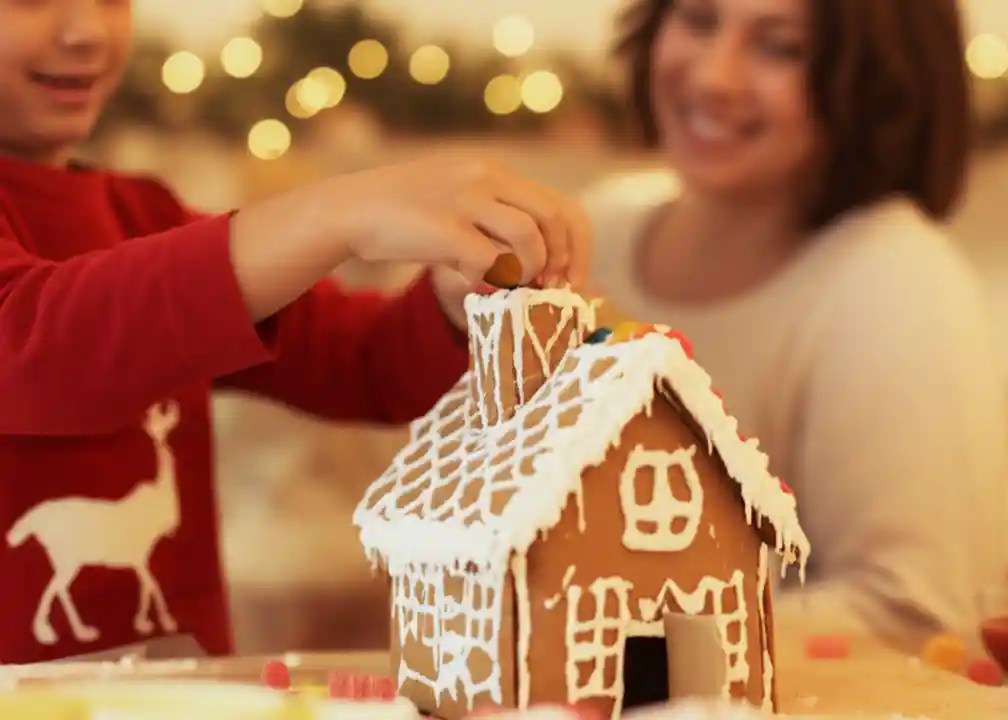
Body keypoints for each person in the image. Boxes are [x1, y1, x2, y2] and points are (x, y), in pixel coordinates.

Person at [0, 0, 590, 663]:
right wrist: (339, 211)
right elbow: (32, 345)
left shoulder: (142, 213)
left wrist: (458, 302)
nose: (86, 33)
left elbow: (365, 362)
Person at [585, 0, 1008, 648]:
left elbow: (917, 613)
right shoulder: (599, 233)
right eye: (699, 21)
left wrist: (616, 642)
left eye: (780, 47)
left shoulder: (896, 282)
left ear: (874, 81)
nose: (713, 78)